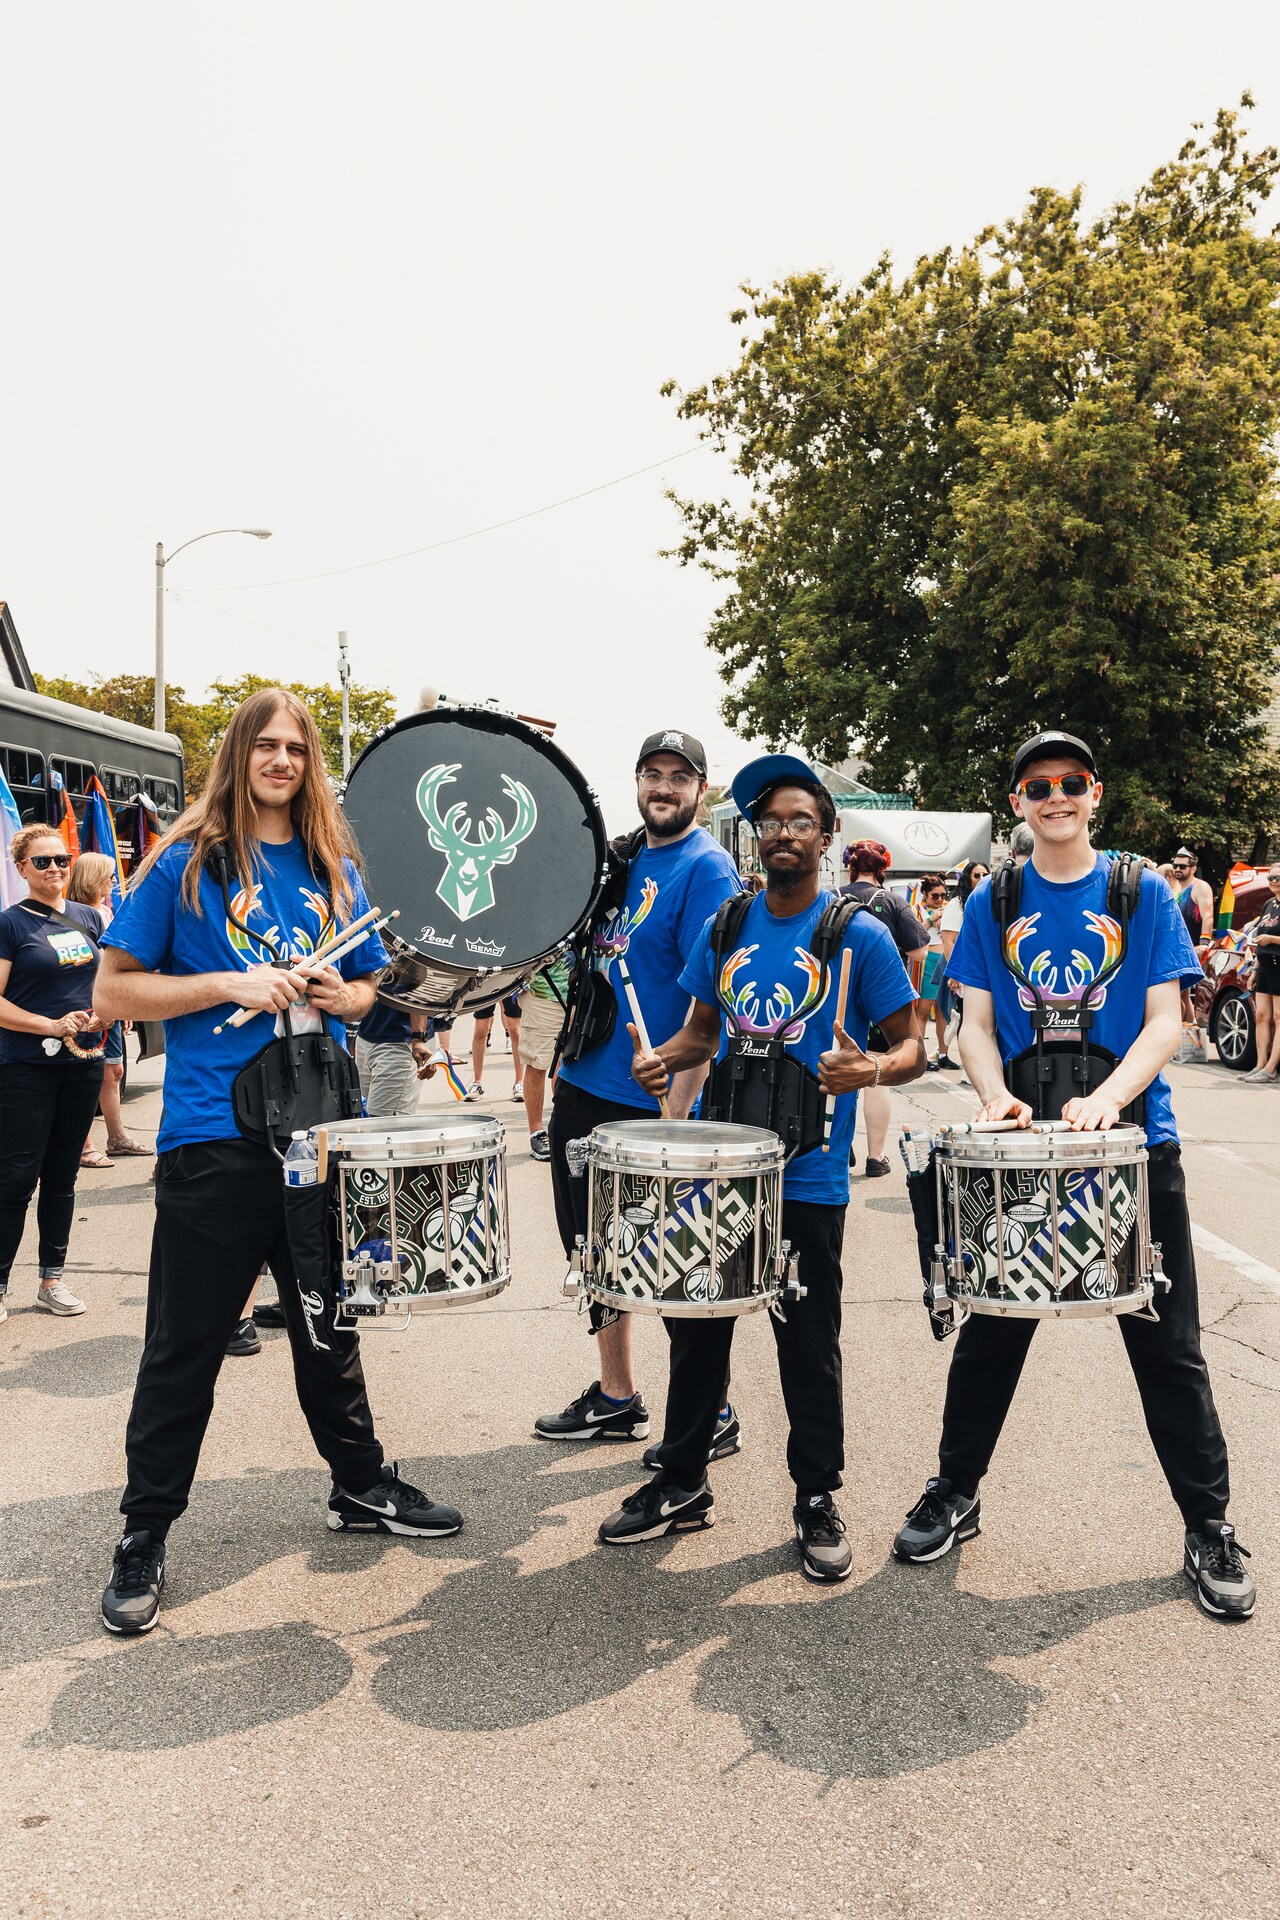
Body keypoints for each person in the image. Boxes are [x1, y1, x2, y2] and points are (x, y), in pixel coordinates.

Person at [95, 687, 464, 1638]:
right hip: (215, 1141)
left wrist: (352, 998)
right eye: (264, 746)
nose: (280, 761)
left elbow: (382, 998)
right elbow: (114, 993)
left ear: (310, 765)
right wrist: (229, 981)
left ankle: (358, 1484)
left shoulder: (338, 871)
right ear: (238, 756)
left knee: (327, 1330)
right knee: (184, 1348)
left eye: (295, 749)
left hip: (323, 1134)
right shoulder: (186, 864)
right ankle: (144, 1531)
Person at [893, 729, 1256, 1622]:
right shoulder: (997, 897)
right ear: (1016, 803)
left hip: (1131, 1149)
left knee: (1167, 1346)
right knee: (993, 1330)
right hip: (1021, 1152)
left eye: (1069, 782)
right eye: (1036, 786)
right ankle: (956, 1489)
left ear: (1096, 793)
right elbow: (975, 1023)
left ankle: (1208, 1525)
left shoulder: (1140, 892)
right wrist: (991, 1095)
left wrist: (1111, 1099)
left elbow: (1167, 1021)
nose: (1053, 796)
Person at [608, 755, 922, 1579]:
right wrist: (660, 1059)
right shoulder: (727, 926)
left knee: (807, 1345)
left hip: (810, 1177)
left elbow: (914, 1046)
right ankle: (681, 1478)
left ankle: (816, 1497)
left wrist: (874, 1071)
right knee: (697, 1326)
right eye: (772, 822)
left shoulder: (858, 934)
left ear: (828, 835)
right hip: (722, 1171)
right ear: (756, 836)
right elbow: (701, 1036)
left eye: (801, 821)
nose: (785, 834)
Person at [535, 729, 741, 1449]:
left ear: (701, 790)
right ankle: (618, 1395)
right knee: (591, 1251)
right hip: (585, 1078)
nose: (664, 787)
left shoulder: (707, 870)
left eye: (679, 777)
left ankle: (708, 1411)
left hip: (651, 1098)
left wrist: (677, 1111)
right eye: (652, 774)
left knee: (671, 1260)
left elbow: (707, 1004)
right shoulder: (619, 860)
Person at [0, 826, 109, 1322]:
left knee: (63, 1176)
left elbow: (110, 977)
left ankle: (52, 1280)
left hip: (82, 1064)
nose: (54, 869)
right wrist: (48, 1023)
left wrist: (108, 1010)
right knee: (16, 1177)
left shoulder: (89, 916)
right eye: (41, 862)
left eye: (61, 859)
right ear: (21, 868)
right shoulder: (11, 924)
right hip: (25, 1068)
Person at [839, 838, 929, 1174]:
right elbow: (920, 950)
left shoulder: (832, 896)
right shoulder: (892, 901)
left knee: (837, 1068)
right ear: (882, 869)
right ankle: (875, 1157)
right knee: (876, 1071)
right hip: (881, 1003)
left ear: (851, 866)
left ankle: (839, 1143)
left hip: (836, 1001)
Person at [64, 851, 150, 1165]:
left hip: (106, 1006)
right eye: (109, 876)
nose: (113, 882)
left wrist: (121, 1007)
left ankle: (116, 1137)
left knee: (112, 1071)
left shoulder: (103, 911)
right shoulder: (75, 915)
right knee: (85, 1074)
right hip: (85, 1008)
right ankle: (84, 1145)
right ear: (93, 878)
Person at [934, 859, 989, 1072]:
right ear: (967, 879)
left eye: (985, 874)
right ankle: (964, 1066)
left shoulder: (987, 900)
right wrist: (956, 973)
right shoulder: (957, 904)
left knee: (979, 1019)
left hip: (979, 968)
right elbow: (949, 941)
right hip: (958, 967)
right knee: (965, 1018)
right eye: (976, 875)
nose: (982, 878)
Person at [517, 956, 569, 1160]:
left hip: (582, 992)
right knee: (538, 1062)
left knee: (570, 1065)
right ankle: (537, 1132)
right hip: (543, 992)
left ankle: (562, 1125)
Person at [353, 994, 434, 1117]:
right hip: (366, 1034)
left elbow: (422, 988)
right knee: (363, 1118)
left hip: (401, 1041)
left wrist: (418, 1038)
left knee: (382, 1126)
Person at [1242, 862, 1280, 1083]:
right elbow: (1258, 937)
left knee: (1278, 1017)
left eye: (1277, 877)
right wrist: (1255, 970)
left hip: (1279, 962)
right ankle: (1260, 1064)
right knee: (1262, 1015)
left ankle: (1271, 1069)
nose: (1273, 881)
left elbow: (1267, 938)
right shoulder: (1269, 904)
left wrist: (1271, 939)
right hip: (1265, 963)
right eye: (1270, 878)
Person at [466, 992, 522, 1102]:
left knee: (514, 1029)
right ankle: (477, 1084)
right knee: (480, 1030)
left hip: (509, 978)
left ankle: (519, 1083)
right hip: (486, 980)